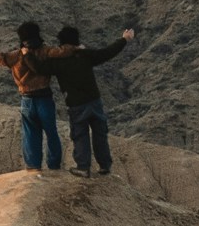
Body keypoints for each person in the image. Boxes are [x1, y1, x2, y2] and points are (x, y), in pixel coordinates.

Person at [0, 20, 64, 170]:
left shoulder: (17, 56)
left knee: (31, 133)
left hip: (27, 100)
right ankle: (54, 165)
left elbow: (0, 58)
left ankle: (33, 166)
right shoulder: (46, 52)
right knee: (51, 132)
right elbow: (61, 52)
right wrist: (75, 47)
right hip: (45, 98)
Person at [47, 21, 136, 174]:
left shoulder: (57, 61)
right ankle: (104, 166)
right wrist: (124, 39)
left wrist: (26, 53)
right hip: (94, 101)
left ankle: (83, 167)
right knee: (100, 134)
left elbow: (40, 68)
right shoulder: (85, 55)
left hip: (75, 104)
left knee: (80, 135)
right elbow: (107, 52)